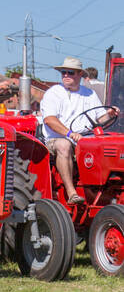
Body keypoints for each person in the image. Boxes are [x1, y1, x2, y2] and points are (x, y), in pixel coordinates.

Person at [41, 56, 119, 205]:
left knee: (109, 145)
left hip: (85, 140)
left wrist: (109, 114)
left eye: (70, 72)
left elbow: (100, 119)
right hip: (57, 139)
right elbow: (49, 120)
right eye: (63, 72)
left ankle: (106, 191)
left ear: (80, 75)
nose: (66, 75)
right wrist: (70, 134)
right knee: (64, 145)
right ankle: (72, 193)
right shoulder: (54, 93)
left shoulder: (89, 94)